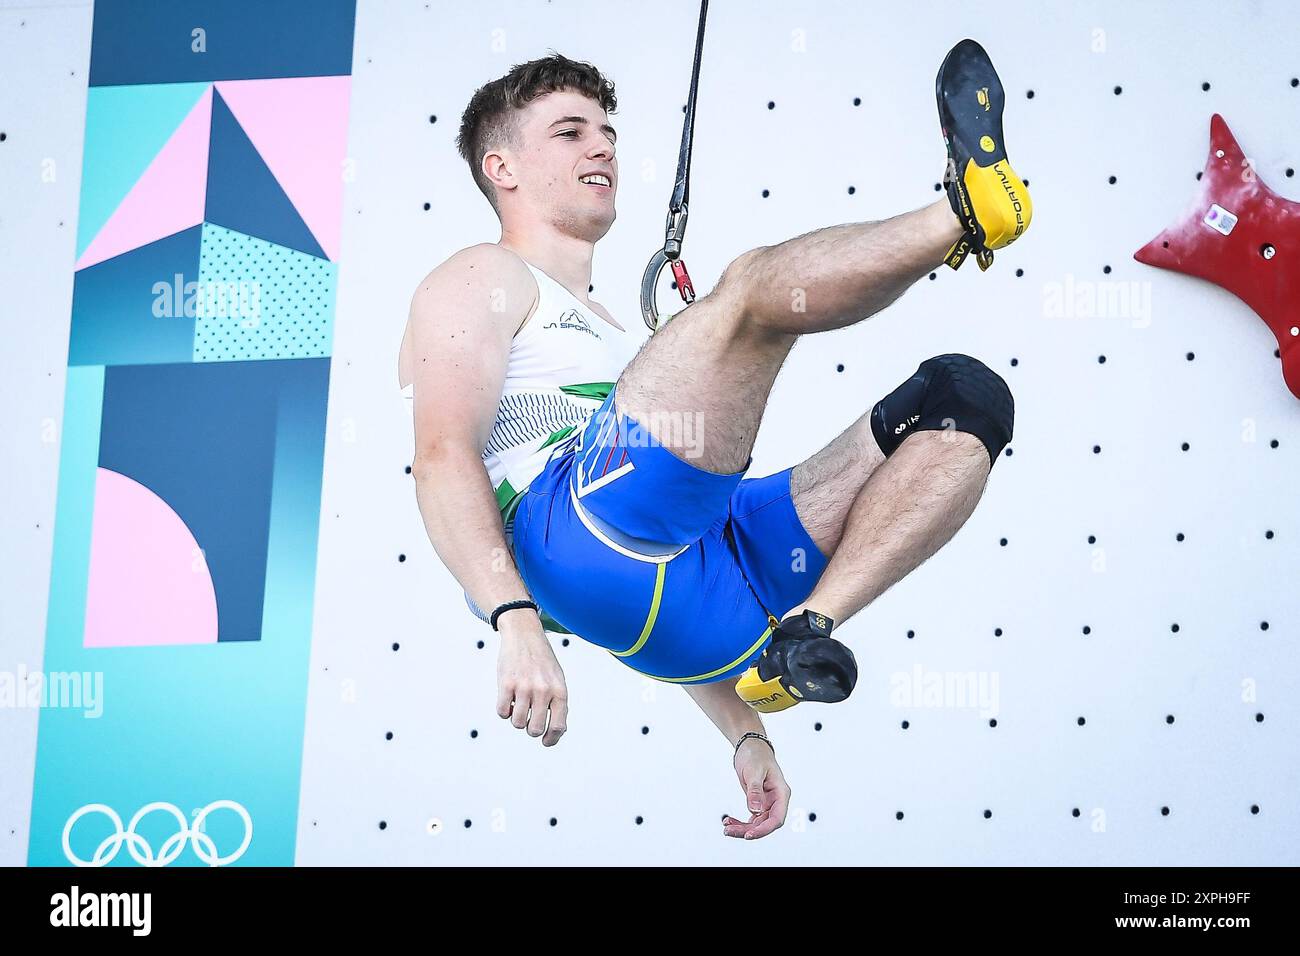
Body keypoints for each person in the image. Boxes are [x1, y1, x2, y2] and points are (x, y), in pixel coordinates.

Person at [398, 41, 1030, 839]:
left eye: (608, 132)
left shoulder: (616, 338)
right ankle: (959, 213)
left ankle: (806, 633)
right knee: (750, 294)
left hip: (704, 611)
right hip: (563, 533)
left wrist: (747, 734)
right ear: (502, 167)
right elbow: (442, 457)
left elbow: (650, 552)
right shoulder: (480, 275)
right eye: (569, 132)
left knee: (962, 399)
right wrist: (515, 621)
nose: (603, 146)